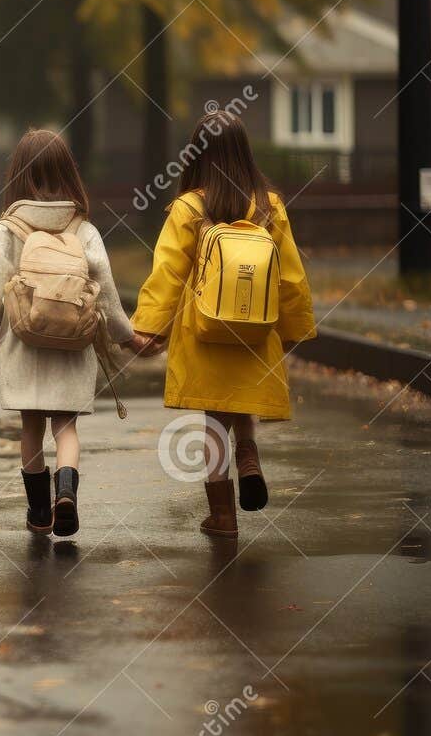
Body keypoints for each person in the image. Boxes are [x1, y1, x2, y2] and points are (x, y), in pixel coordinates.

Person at [131, 112, 316, 538]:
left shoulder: (189, 207)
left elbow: (168, 274)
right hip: (257, 328)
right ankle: (248, 455)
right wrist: (292, 329)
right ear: (244, 152)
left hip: (205, 330)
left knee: (214, 421)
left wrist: (150, 328)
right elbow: (290, 275)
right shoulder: (270, 206)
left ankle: (222, 516)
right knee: (242, 401)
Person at [0, 130, 146, 536]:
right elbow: (107, 292)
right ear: (68, 172)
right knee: (66, 429)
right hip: (73, 345)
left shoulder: (7, 230)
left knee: (31, 429)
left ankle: (39, 514)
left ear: (18, 175)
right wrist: (124, 335)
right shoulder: (83, 230)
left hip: (23, 344)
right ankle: (67, 495)